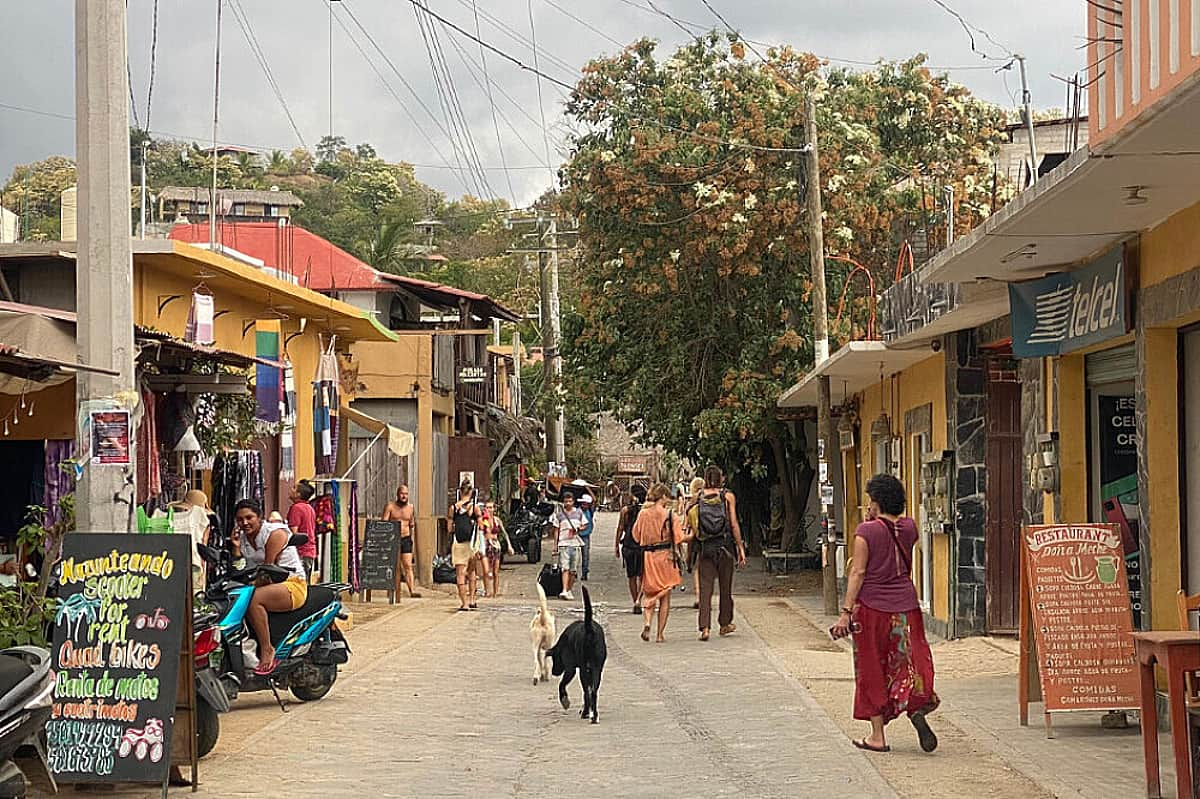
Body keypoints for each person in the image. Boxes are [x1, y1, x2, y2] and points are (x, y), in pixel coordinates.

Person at [831, 474, 939, 754]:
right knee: (909, 661)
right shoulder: (910, 527)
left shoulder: (866, 532)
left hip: (872, 611)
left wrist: (845, 613)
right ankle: (916, 705)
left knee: (871, 668)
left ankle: (877, 736)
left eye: (870, 500)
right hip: (907, 608)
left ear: (876, 502)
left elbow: (858, 572)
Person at [230, 499, 308, 675]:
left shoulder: (274, 533)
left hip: (291, 584)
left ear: (260, 517)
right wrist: (235, 549)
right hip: (264, 585)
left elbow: (268, 571)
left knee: (252, 600)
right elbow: (239, 567)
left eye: (249, 517)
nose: (245, 523)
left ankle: (267, 649)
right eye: (240, 519)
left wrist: (250, 584)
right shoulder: (242, 539)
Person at [689, 465, 747, 641]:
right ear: (720, 478)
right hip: (725, 547)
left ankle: (705, 628)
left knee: (705, 589)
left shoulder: (697, 498)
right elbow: (734, 523)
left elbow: (690, 522)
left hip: (706, 547)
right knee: (725, 587)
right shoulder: (727, 496)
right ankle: (724, 623)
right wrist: (740, 547)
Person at [632, 483, 690, 643]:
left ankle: (647, 622)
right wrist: (692, 536)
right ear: (663, 497)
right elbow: (679, 538)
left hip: (648, 557)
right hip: (665, 557)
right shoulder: (670, 515)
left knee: (649, 591)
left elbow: (636, 536)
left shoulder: (643, 514)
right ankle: (660, 635)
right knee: (665, 595)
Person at [382, 484, 421, 598]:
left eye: (406, 494)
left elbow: (411, 525)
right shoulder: (390, 507)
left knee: (408, 565)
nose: (404, 496)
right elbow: (384, 523)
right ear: (398, 494)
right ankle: (392, 589)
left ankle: (412, 590)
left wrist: (411, 541)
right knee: (393, 565)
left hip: (406, 538)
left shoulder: (411, 508)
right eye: (402, 494)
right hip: (393, 538)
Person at [449, 481, 482, 611]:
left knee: (460, 574)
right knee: (472, 572)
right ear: (471, 492)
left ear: (460, 492)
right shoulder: (475, 507)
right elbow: (480, 526)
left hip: (459, 543)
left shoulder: (453, 508)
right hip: (472, 544)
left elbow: (450, 528)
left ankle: (464, 603)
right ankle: (473, 599)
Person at [615, 484, 647, 614]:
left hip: (628, 545)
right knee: (643, 576)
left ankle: (635, 601)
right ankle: (639, 599)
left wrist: (616, 544)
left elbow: (620, 528)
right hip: (643, 545)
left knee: (631, 576)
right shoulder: (646, 511)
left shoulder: (625, 511)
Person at [552, 491, 587, 600]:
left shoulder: (579, 513)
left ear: (573, 502)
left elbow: (585, 525)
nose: (568, 503)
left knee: (573, 570)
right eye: (566, 501)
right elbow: (556, 530)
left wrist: (578, 529)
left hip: (575, 544)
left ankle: (568, 589)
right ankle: (564, 590)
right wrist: (555, 545)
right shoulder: (559, 515)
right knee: (564, 568)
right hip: (563, 544)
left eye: (570, 501)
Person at [480, 499, 514, 598]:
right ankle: (487, 591)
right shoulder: (483, 520)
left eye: (491, 507)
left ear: (494, 509)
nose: (489, 509)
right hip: (486, 545)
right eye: (487, 507)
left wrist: (509, 545)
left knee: (495, 571)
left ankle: (495, 591)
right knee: (486, 571)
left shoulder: (497, 520)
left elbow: (505, 533)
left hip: (496, 546)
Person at [287, 480, 318, 581]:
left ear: (298, 494)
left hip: (301, 551)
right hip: (310, 551)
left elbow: (294, 533)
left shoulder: (296, 508)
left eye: (294, 488)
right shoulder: (309, 508)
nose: (291, 490)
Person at [685, 476, 706, 606]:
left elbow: (686, 525)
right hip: (711, 538)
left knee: (697, 569)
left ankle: (699, 597)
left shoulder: (691, 503)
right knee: (707, 569)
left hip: (696, 539)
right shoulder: (711, 500)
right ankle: (706, 596)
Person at [578, 493, 595, 581]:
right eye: (583, 504)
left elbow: (594, 500)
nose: (585, 506)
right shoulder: (577, 511)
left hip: (586, 535)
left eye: (586, 504)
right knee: (576, 556)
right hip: (577, 535)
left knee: (585, 555)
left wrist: (588, 489)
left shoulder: (590, 511)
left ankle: (584, 572)